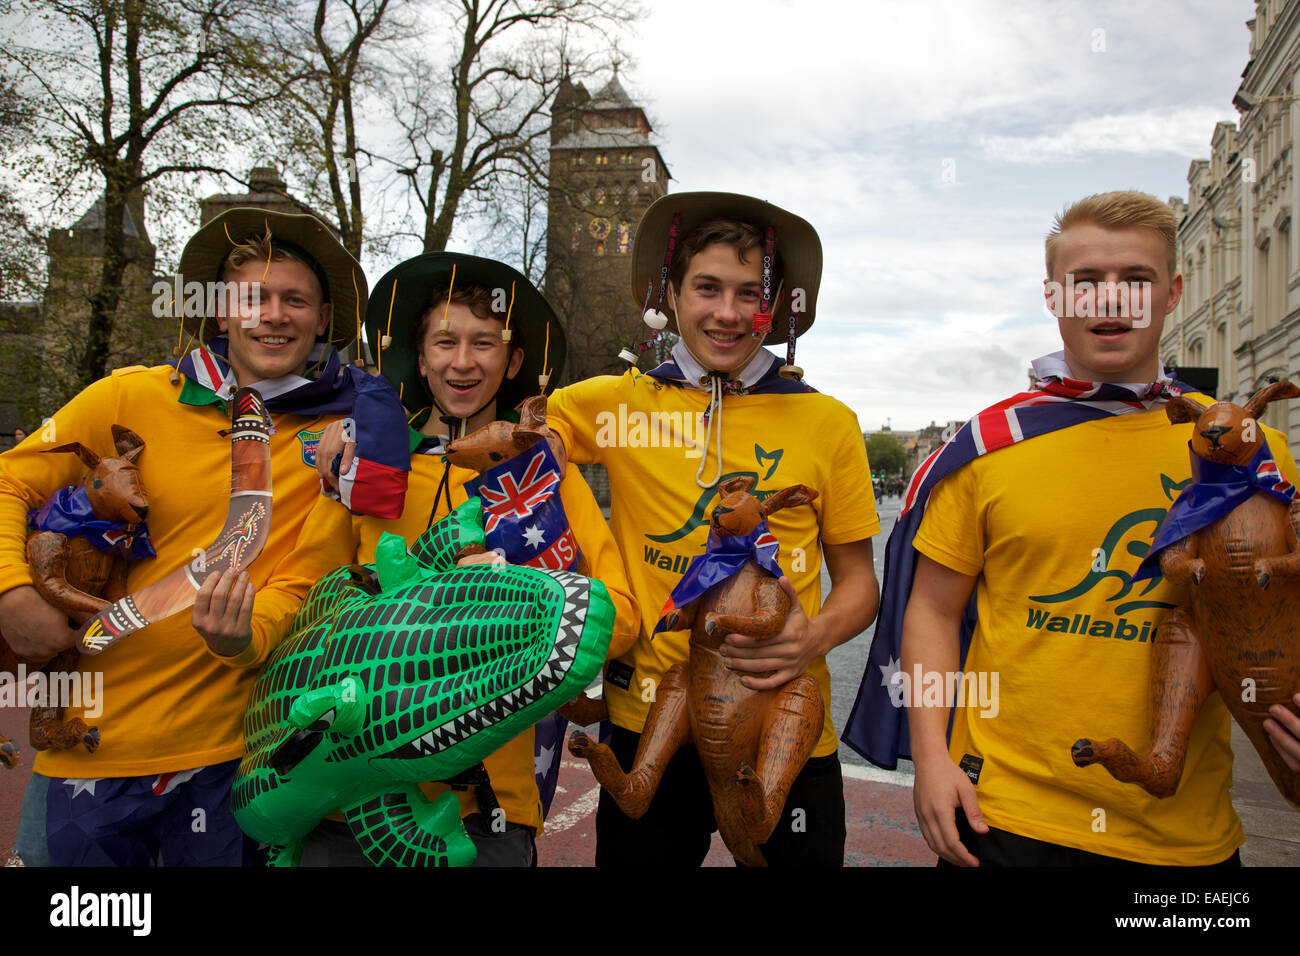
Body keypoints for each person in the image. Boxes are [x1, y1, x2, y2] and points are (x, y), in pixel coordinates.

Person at [846, 190, 1299, 867]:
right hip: (1002, 822)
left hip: (1183, 838)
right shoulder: (993, 444)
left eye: (1135, 280)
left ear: (1172, 292)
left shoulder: (1241, 445)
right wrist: (932, 760)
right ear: (1055, 297)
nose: (1109, 301)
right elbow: (934, 613)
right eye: (1086, 282)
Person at [0, 207, 402, 866]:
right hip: (87, 752)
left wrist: (245, 640)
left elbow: (304, 582)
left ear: (322, 319)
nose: (273, 315)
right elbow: (9, 480)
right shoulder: (129, 397)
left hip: (229, 765)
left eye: (295, 300)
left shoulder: (336, 439)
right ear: (220, 313)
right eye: (253, 297)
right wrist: (12, 592)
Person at [544, 192, 881, 866]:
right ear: (668, 295)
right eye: (706, 288)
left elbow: (859, 585)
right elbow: (518, 436)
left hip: (784, 717)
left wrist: (812, 635)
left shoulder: (829, 422)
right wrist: (364, 420)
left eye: (749, 293)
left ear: (779, 304)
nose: (727, 313)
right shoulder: (614, 402)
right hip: (650, 722)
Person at [309, 251, 639, 866]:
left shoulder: (544, 479)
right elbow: (302, 603)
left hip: (486, 810)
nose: (464, 362)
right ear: (421, 354)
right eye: (445, 342)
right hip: (349, 796)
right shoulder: (366, 468)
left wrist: (507, 598)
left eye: (485, 343)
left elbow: (617, 617)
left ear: (512, 360)